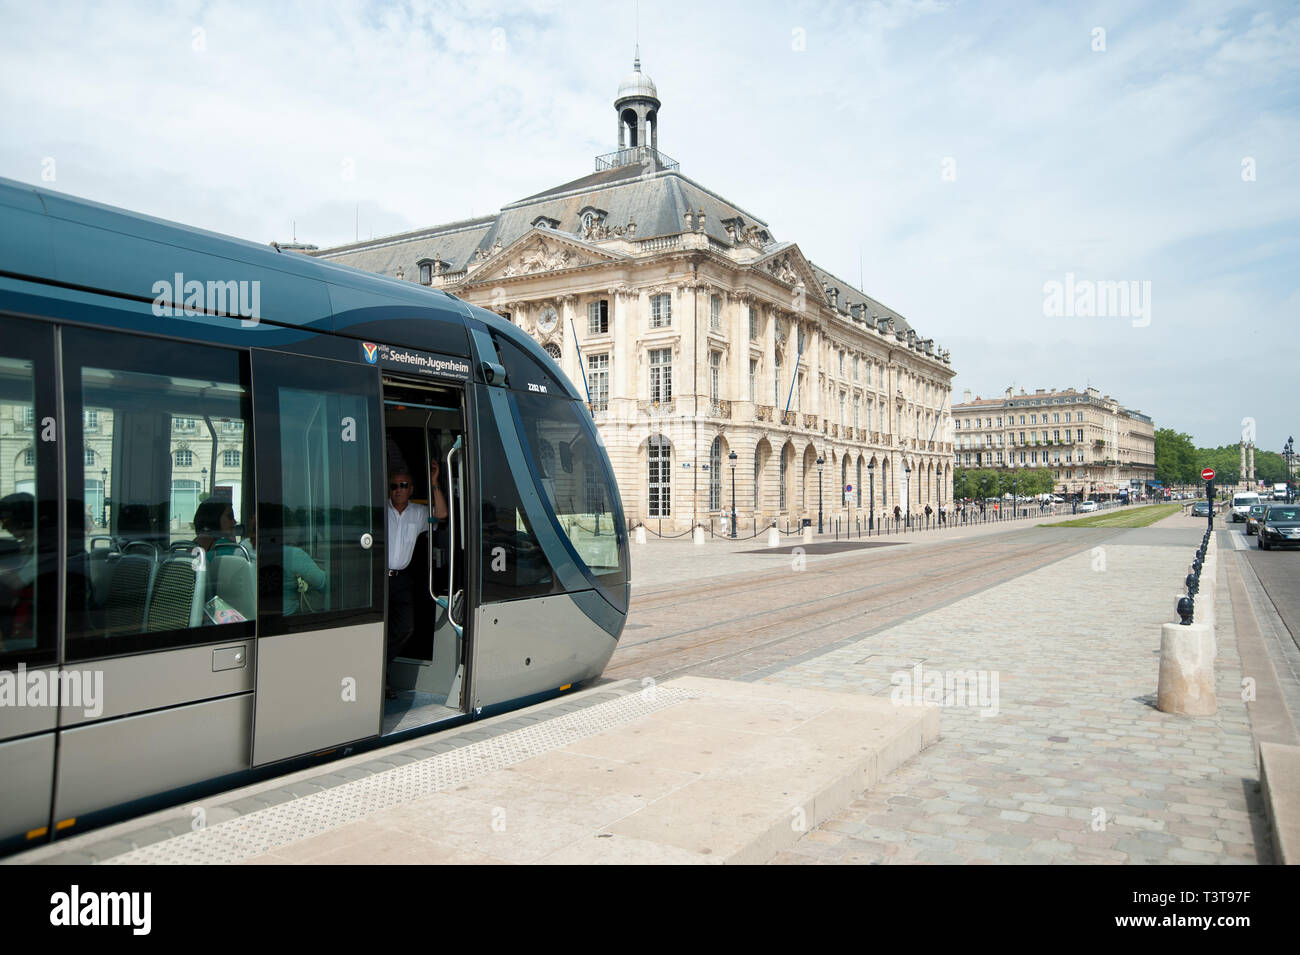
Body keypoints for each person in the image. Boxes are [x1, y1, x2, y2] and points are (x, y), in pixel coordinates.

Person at [386, 467, 428, 699]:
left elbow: (442, 513)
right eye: (394, 486)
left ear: (411, 489)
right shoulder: (379, 509)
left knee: (405, 629)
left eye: (403, 485)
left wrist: (433, 482)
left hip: (402, 579)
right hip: (379, 579)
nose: (398, 490)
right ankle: (381, 679)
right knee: (377, 630)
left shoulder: (419, 513)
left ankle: (379, 666)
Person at [242, 514, 327, 616]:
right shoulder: (293, 554)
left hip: (249, 616)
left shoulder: (242, 548)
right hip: (287, 617)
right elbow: (322, 583)